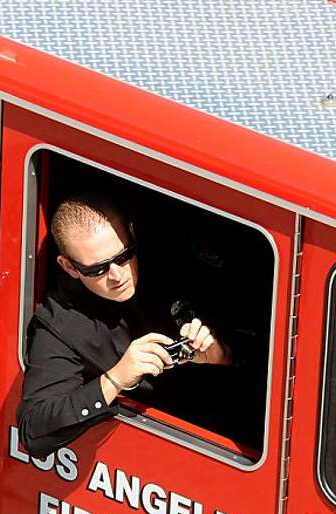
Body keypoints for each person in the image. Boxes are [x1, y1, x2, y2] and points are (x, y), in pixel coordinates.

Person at [17, 194, 241, 459]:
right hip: (148, 453)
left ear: (132, 233)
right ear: (69, 267)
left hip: (222, 432)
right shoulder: (61, 324)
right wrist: (115, 379)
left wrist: (221, 354)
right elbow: (34, 432)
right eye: (97, 270)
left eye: (123, 256)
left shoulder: (173, 261)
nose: (116, 275)